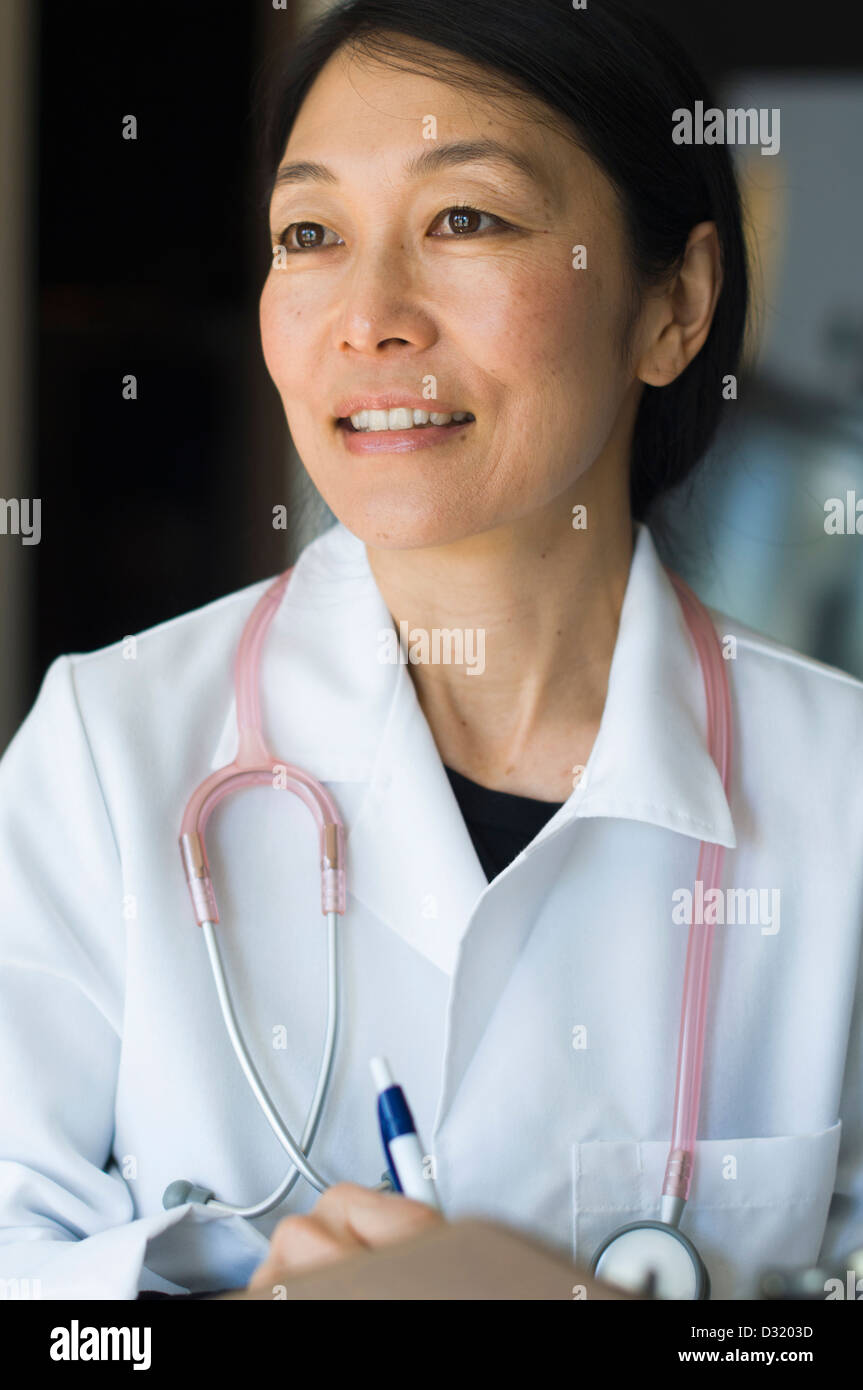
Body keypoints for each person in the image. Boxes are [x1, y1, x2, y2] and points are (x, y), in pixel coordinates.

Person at [1, 0, 861, 1301]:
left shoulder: (842, 786)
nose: (370, 313)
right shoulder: (105, 751)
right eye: (310, 234)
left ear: (674, 302)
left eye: (467, 219)